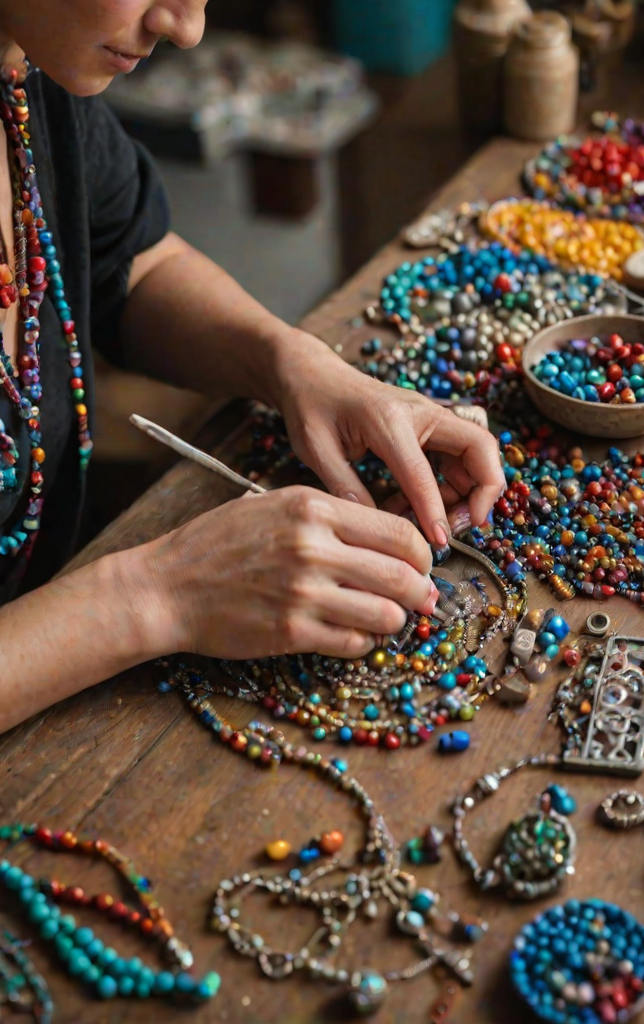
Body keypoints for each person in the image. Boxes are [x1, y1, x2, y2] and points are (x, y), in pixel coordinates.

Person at [0, 0, 504, 734]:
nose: (187, 27)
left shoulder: (26, 63)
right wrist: (151, 596)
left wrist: (296, 365)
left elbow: (129, 262)